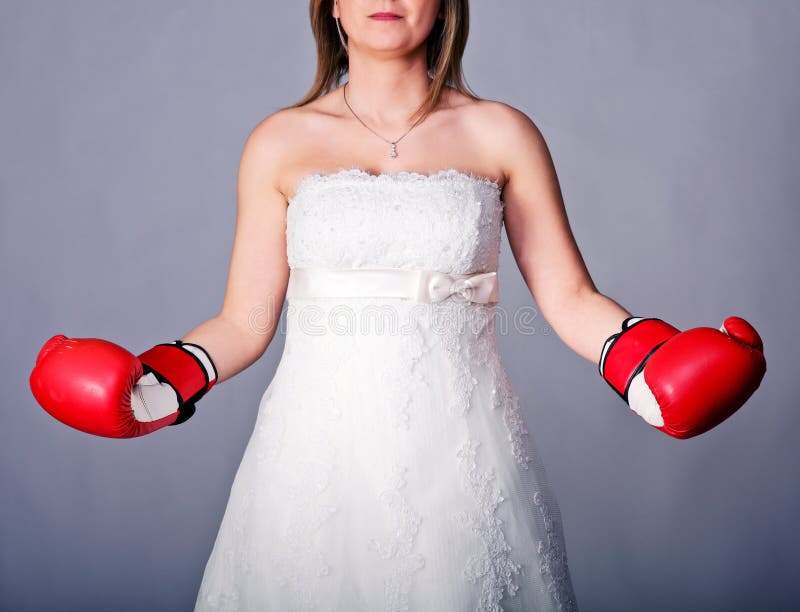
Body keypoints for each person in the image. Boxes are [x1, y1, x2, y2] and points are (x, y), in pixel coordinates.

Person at [29, 1, 766, 610]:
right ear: (330, 5)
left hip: (464, 452)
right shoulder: (279, 142)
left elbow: (570, 297)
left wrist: (649, 367)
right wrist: (158, 384)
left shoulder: (501, 132)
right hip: (312, 456)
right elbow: (245, 322)